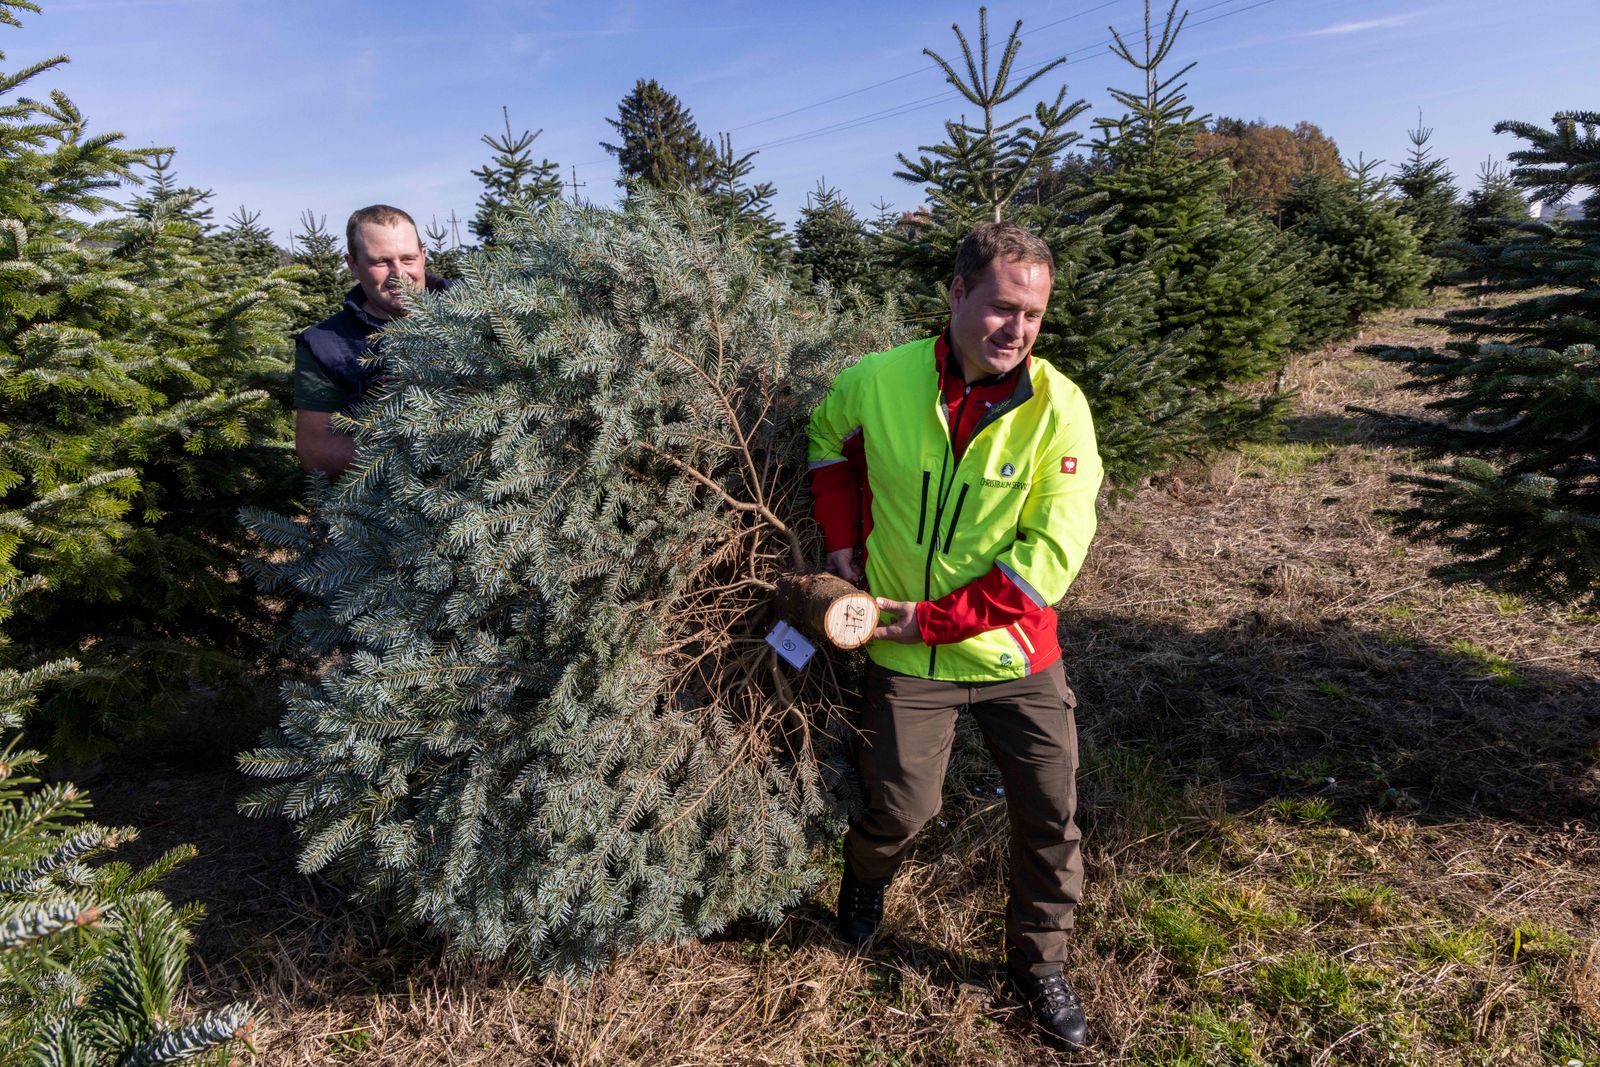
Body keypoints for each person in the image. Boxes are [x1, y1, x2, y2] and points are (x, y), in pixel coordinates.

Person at [805, 222, 1102, 1051]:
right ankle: (863, 884)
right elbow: (827, 439)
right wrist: (841, 540)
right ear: (958, 294)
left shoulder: (1060, 410)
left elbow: (1047, 558)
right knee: (900, 808)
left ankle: (1038, 963)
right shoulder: (879, 379)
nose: (1019, 329)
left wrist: (937, 618)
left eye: (1034, 315)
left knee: (1050, 812)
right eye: (1004, 307)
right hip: (905, 657)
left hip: (1015, 655)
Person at [294, 204, 451, 476]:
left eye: (408, 259)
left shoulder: (479, 309)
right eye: (381, 262)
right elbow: (314, 449)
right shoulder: (324, 345)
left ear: (424, 256)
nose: (399, 274)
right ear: (353, 265)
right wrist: (423, 458)